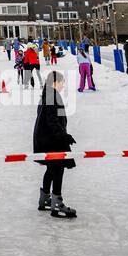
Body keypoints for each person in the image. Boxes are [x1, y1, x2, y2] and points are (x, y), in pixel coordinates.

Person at [33, 70, 77, 218]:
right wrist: (64, 136)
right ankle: (57, 203)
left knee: (51, 169)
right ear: (55, 82)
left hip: (45, 139)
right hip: (51, 140)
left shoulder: (46, 95)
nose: (63, 86)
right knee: (58, 169)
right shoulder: (52, 96)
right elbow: (52, 121)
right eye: (62, 83)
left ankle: (45, 199)